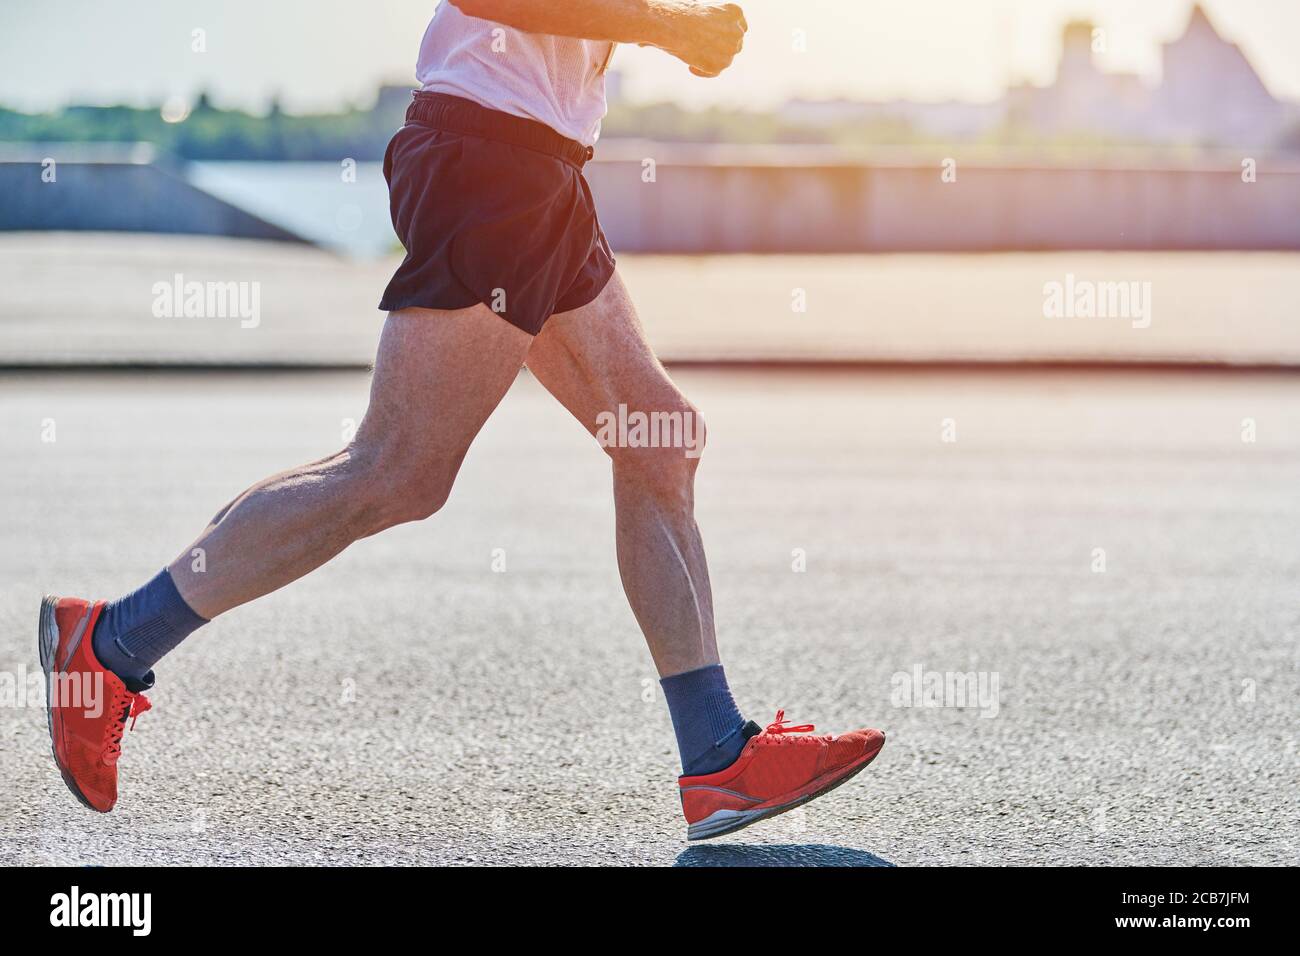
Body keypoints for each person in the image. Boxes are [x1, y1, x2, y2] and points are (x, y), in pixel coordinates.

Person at [39, 0, 884, 841]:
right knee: (395, 471)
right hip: (492, 163)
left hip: (541, 166)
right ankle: (110, 643)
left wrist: (681, 22)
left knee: (657, 435)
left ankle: (716, 758)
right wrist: (666, 27)